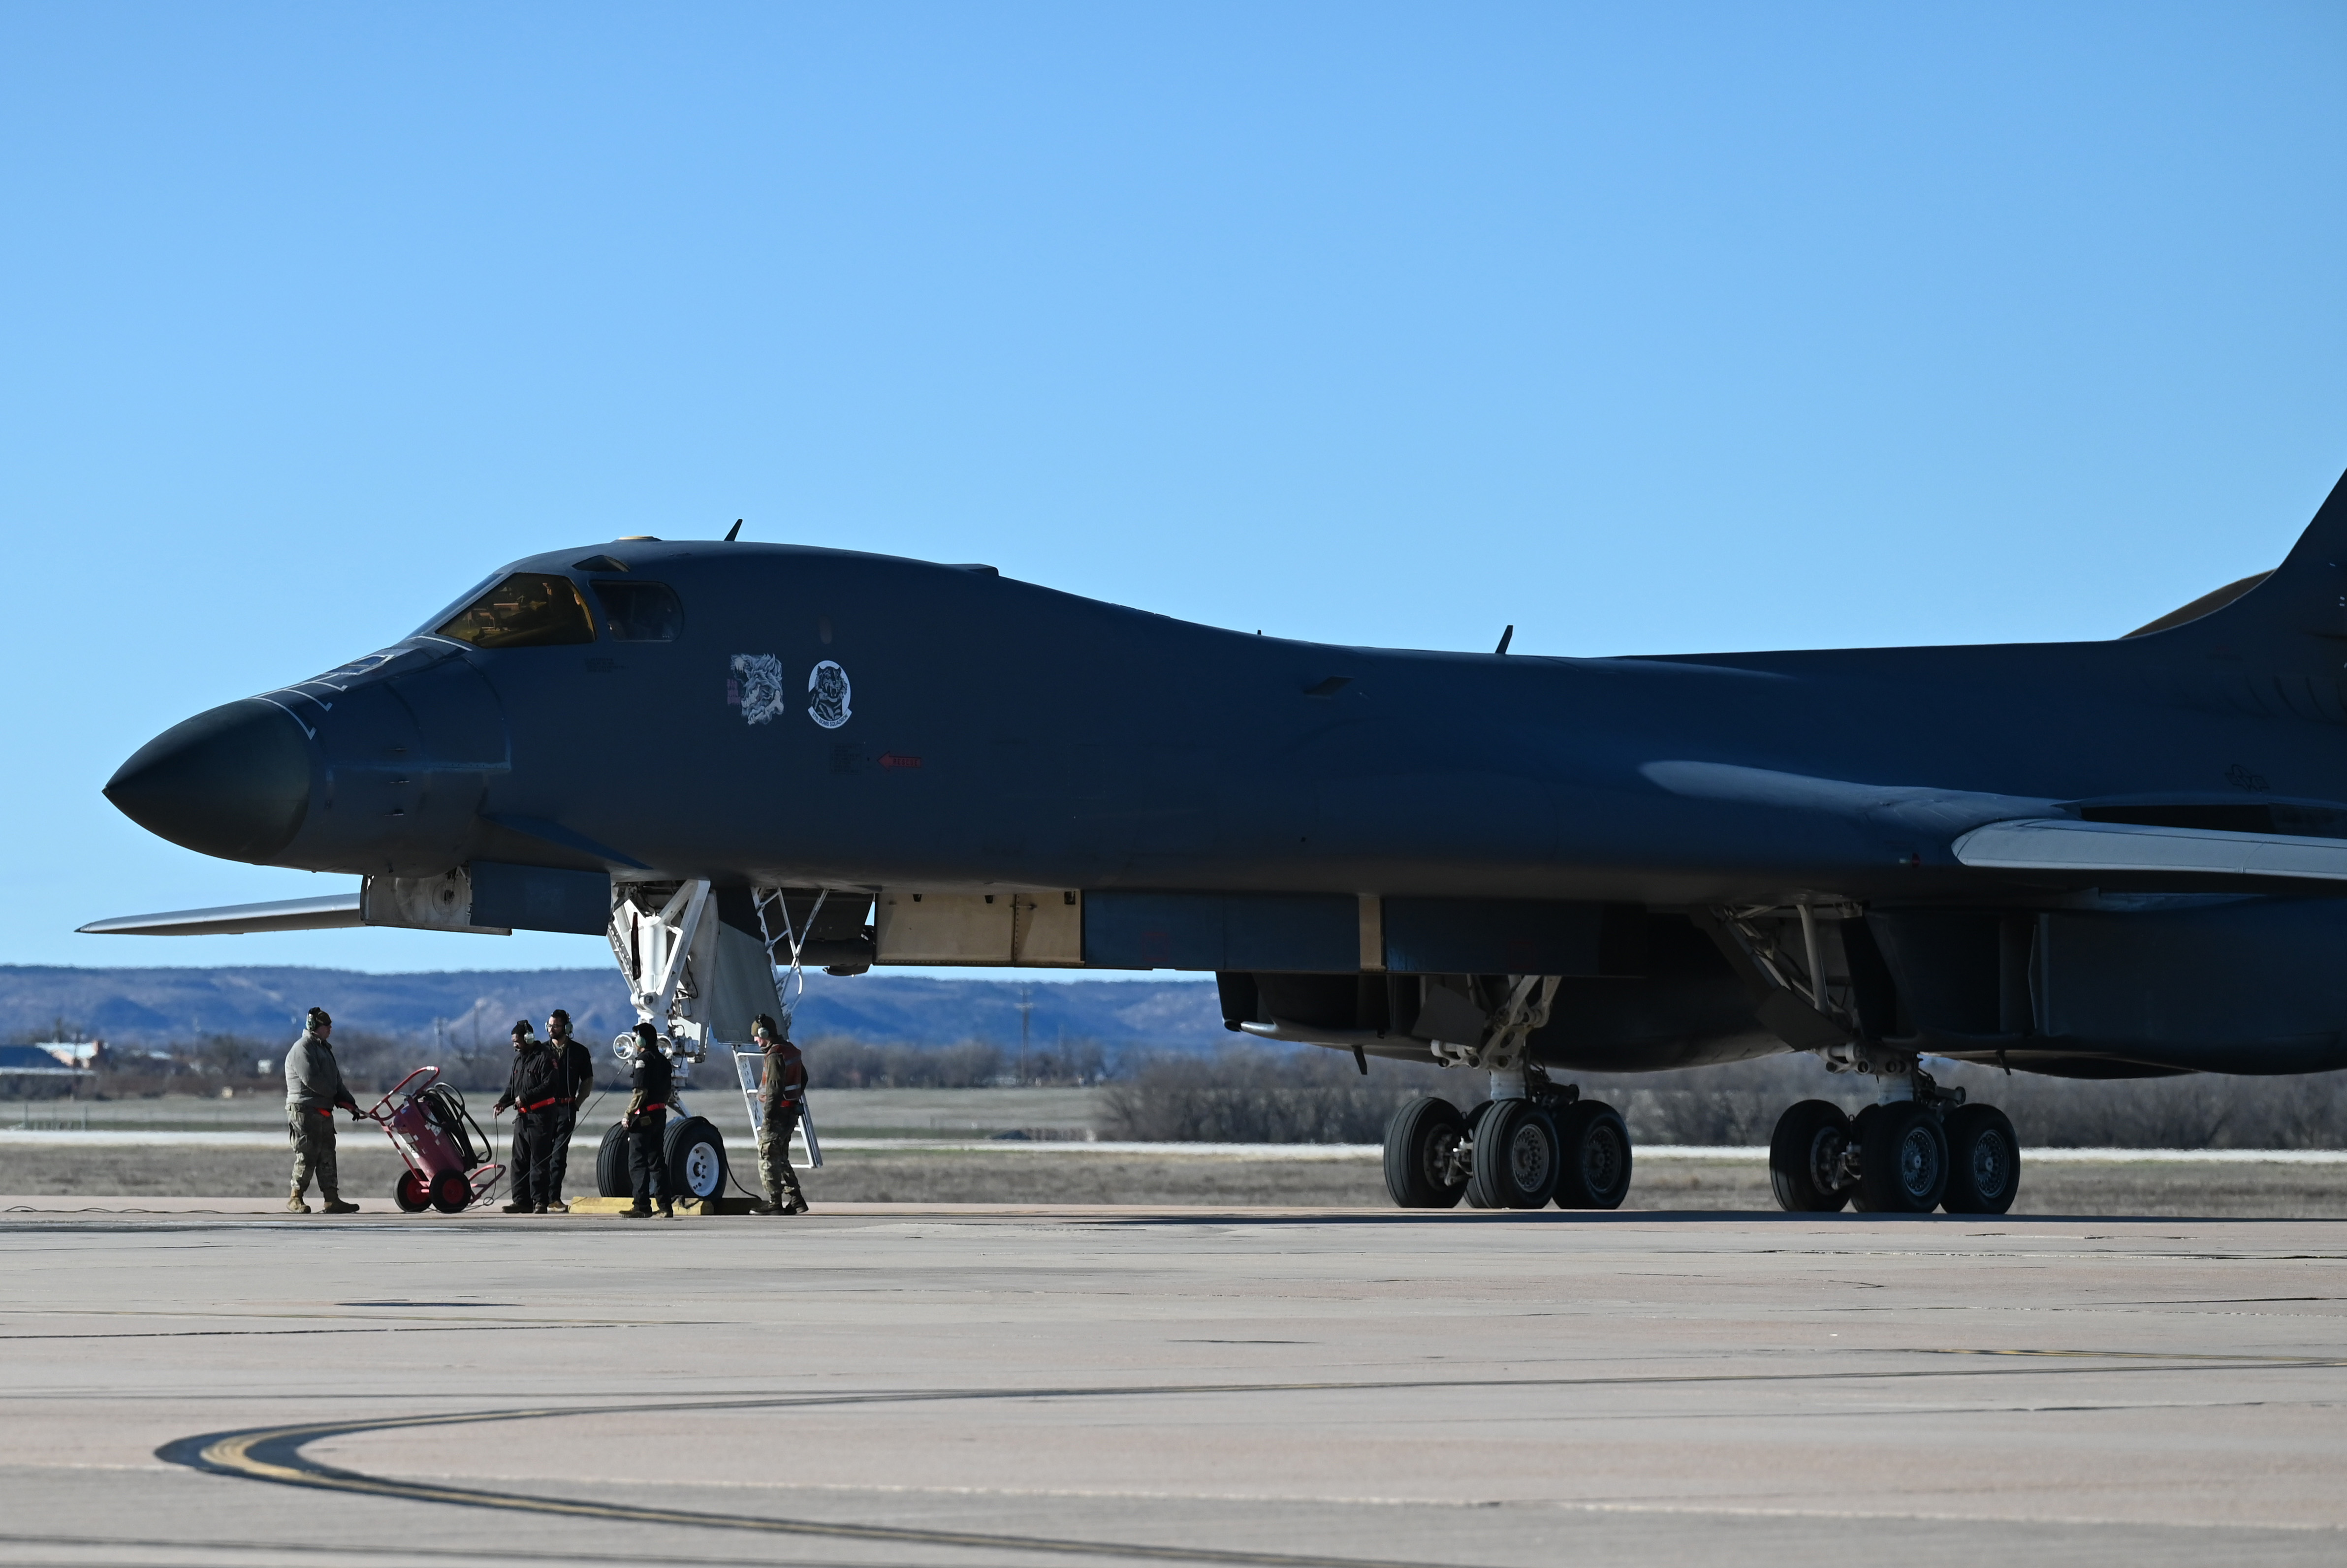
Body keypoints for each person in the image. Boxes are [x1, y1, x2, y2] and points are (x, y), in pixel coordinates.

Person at [284, 1007, 363, 1215]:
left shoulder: (324, 1050)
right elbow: (312, 1080)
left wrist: (350, 1102)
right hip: (304, 1110)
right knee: (307, 1154)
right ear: (314, 1027)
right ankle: (296, 1198)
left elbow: (336, 1081)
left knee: (327, 1154)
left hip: (323, 1110)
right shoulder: (302, 1049)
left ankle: (332, 1199)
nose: (330, 1029)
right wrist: (336, 1097)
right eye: (326, 1025)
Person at [492, 1020, 561, 1213]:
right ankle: (521, 1201)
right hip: (523, 1118)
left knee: (538, 1161)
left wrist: (526, 1098)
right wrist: (503, 1103)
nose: (515, 1045)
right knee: (519, 1161)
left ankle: (540, 1201)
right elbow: (512, 1088)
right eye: (513, 1041)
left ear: (529, 1039)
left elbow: (550, 1085)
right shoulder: (519, 1060)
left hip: (541, 1117)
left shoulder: (546, 1058)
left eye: (518, 1041)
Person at [750, 1013, 809, 1216]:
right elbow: (805, 1077)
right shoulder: (790, 1051)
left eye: (757, 1036)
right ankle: (796, 1200)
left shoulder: (774, 1055)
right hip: (790, 1111)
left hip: (778, 1114)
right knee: (780, 1157)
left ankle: (774, 1201)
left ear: (765, 1034)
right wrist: (793, 1098)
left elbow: (774, 1087)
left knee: (767, 1154)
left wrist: (769, 1115)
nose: (755, 1040)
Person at [542, 1009, 596, 1212]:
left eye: (556, 1026)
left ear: (567, 1028)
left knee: (558, 1157)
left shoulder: (580, 1052)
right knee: (541, 1155)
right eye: (549, 1025)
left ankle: (553, 1198)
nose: (551, 1029)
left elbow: (588, 1080)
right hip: (544, 1111)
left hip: (566, 1109)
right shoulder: (541, 1051)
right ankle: (539, 1198)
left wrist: (577, 1104)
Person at [622, 1021, 674, 1219]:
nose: (635, 1041)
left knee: (637, 1161)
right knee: (657, 1161)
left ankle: (641, 1205)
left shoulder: (643, 1060)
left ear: (642, 1040)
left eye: (636, 1037)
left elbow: (640, 1092)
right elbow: (667, 1092)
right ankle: (665, 1207)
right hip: (660, 1114)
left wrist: (628, 1114)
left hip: (643, 1116)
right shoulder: (664, 1061)